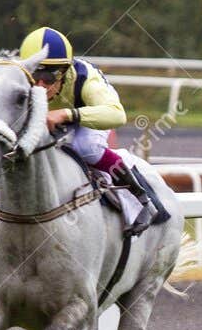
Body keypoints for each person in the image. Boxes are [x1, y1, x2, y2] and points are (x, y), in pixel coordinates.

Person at [17, 26, 170, 234]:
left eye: (50, 77)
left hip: (89, 113)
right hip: (58, 118)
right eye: (35, 75)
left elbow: (117, 115)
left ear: (64, 72)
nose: (41, 85)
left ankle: (142, 198)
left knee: (86, 147)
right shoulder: (19, 80)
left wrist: (67, 114)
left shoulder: (86, 78)